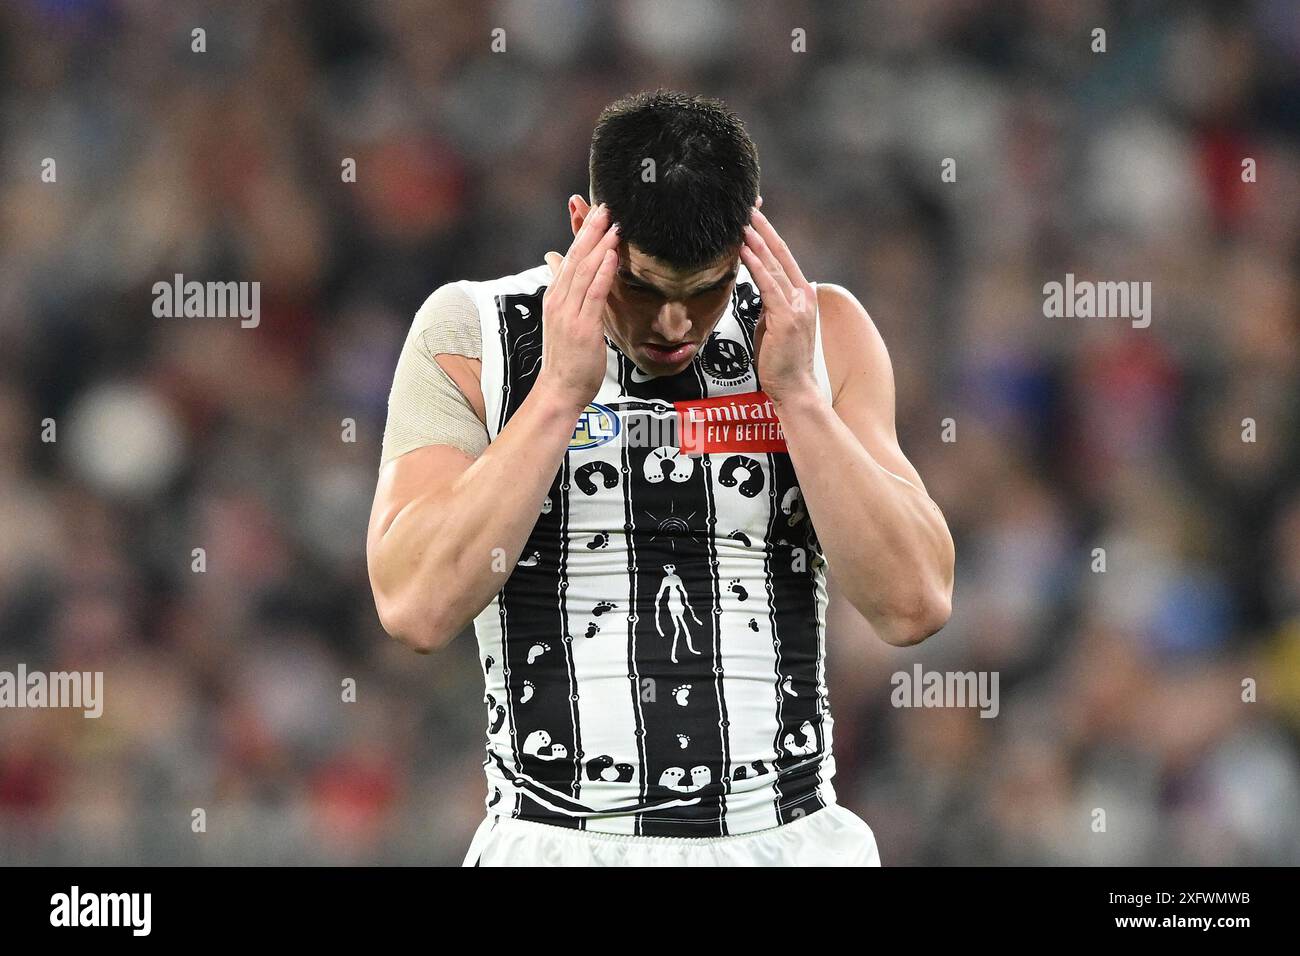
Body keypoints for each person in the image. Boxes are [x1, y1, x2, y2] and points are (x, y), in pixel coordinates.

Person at [366, 90, 954, 866]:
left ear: (750, 238)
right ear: (585, 228)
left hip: (785, 839)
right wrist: (556, 397)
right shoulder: (471, 335)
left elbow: (913, 603)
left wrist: (800, 401)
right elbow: (415, 607)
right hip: (560, 840)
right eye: (642, 288)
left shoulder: (822, 336)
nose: (674, 325)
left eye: (704, 289)